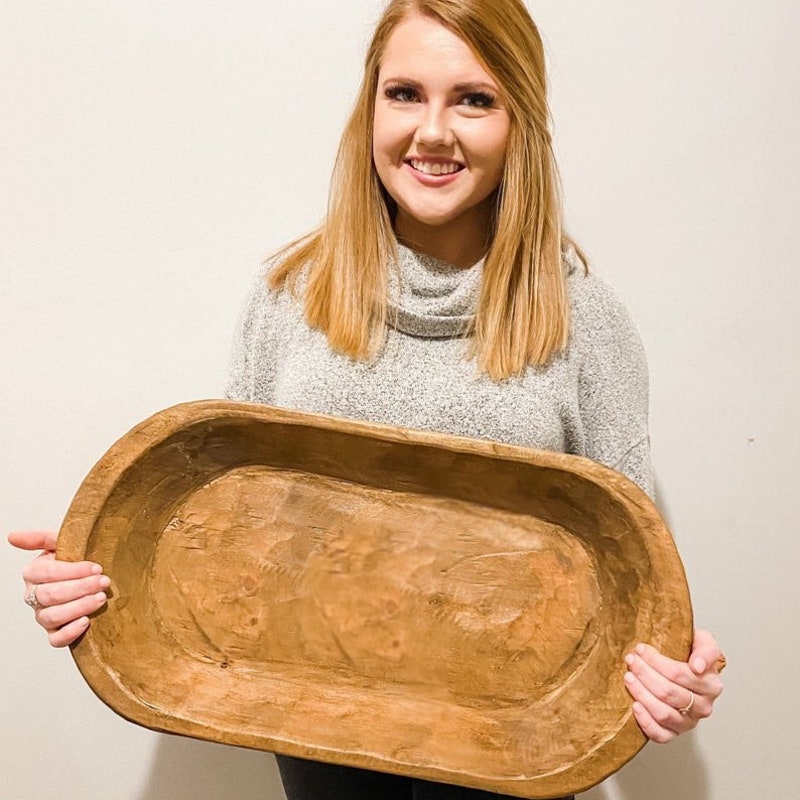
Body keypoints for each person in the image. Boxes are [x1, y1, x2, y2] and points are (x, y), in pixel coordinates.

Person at [9, 1, 725, 798]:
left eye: (475, 99)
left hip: (518, 747)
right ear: (370, 108)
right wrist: (102, 573)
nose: (433, 132)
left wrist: (675, 677)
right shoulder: (289, 297)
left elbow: (633, 574)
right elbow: (222, 534)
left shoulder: (586, 322)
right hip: (315, 733)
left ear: (521, 121)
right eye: (405, 93)